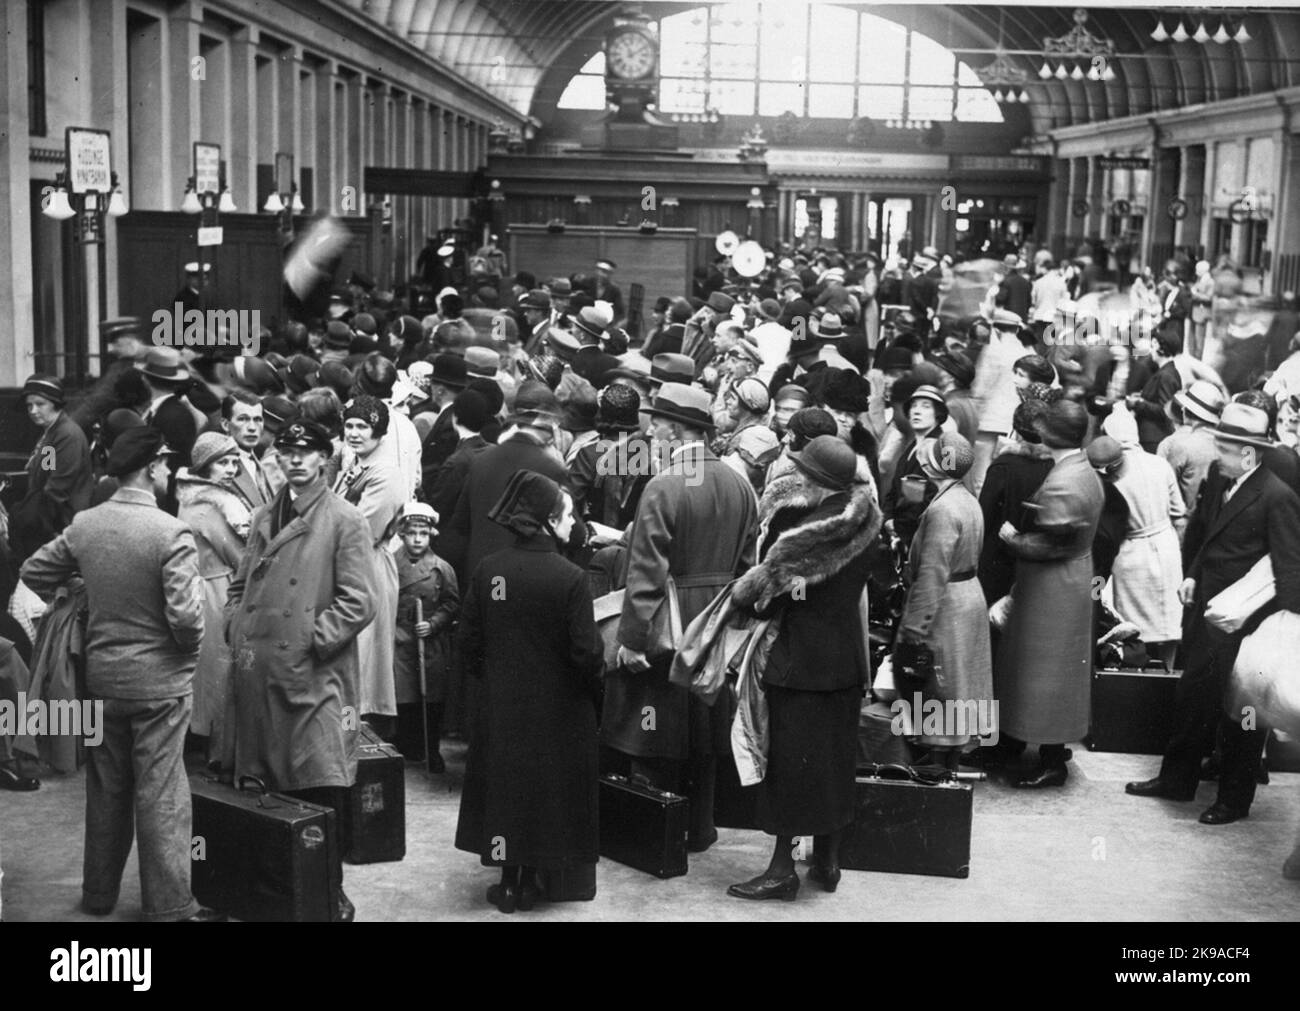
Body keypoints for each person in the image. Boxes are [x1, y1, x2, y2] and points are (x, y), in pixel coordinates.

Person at [21, 427, 222, 921]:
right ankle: (171, 906)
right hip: (161, 685)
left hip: (104, 679)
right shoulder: (169, 531)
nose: (170, 472)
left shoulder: (87, 524)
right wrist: (187, 653)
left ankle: (98, 895)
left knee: (107, 791)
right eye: (166, 464)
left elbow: (33, 571)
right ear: (153, 467)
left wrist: (87, 587)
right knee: (162, 794)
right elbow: (185, 619)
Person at [225, 418, 377, 922]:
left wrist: (312, 640)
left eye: (306, 451)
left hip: (314, 675)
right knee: (266, 789)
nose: (294, 459)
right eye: (286, 450)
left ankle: (327, 890)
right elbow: (240, 583)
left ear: (323, 458)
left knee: (320, 781)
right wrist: (235, 626)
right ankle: (277, 892)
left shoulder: (345, 519)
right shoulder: (267, 512)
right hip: (258, 670)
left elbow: (359, 602)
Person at [1127, 403, 1300, 824]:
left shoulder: (1277, 497)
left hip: (1248, 627)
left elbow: (1290, 568)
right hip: (1207, 614)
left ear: (1247, 453)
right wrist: (1192, 575)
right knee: (1193, 698)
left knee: (1244, 713)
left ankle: (1233, 800)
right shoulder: (1220, 479)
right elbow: (1205, 535)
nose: (1215, 452)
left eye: (1223, 447)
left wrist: (1282, 628)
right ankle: (1176, 780)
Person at [726, 436, 880, 900]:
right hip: (846, 662)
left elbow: (765, 600)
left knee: (789, 768)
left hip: (798, 664)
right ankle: (828, 861)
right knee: (834, 762)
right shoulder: (867, 520)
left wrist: (748, 601)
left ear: (813, 480)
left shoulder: (802, 537)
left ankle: (780, 871)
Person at [605, 382, 757, 852]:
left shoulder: (665, 483)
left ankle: (655, 830)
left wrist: (632, 636)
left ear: (675, 429)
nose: (650, 431)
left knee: (652, 722)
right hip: (718, 615)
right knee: (704, 722)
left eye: (656, 423)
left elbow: (646, 570)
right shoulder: (740, 483)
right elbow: (749, 565)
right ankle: (701, 826)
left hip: (668, 617)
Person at [454, 471, 601, 913]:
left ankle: (509, 882)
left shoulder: (491, 570)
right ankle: (539, 877)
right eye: (569, 514)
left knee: (507, 789)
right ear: (550, 521)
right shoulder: (571, 577)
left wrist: (497, 679)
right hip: (559, 709)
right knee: (547, 792)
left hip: (503, 703)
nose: (573, 522)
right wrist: (589, 692)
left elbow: (468, 642)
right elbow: (586, 653)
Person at [995, 398, 1104, 788]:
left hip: (1053, 586)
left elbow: (1055, 543)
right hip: (1065, 582)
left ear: (1048, 433)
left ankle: (1051, 758)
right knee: (1045, 668)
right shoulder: (1080, 469)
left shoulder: (1065, 479)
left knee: (1045, 670)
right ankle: (1030, 745)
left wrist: (1015, 540)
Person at [894, 432, 992, 767]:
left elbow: (932, 573)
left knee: (941, 682)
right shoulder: (967, 498)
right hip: (969, 595)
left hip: (947, 602)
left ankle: (936, 762)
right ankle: (951, 754)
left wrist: (913, 628)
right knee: (960, 681)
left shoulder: (942, 510)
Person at [333, 396, 406, 735]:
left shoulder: (386, 473)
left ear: (379, 431)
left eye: (363, 426)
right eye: (349, 425)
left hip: (367, 566)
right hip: (350, 564)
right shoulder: (356, 464)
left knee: (362, 659)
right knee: (350, 657)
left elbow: (362, 530)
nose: (355, 433)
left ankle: (357, 738)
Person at [175, 433, 251, 757]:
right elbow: (239, 555)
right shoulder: (211, 507)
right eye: (223, 462)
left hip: (203, 586)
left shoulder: (192, 498)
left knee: (207, 668)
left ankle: (207, 738)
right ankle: (219, 745)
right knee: (220, 669)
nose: (232, 468)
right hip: (216, 589)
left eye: (235, 461)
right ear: (205, 467)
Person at [1106, 439, 1187, 671]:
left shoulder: (1112, 472)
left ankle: (1136, 672)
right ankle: (1169, 672)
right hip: (1166, 544)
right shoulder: (1160, 464)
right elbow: (1178, 511)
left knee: (1132, 625)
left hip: (1130, 551)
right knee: (1170, 623)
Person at [392, 502, 459, 771]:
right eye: (412, 533)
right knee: (402, 699)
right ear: (402, 534)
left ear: (431, 535)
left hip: (429, 644)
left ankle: (432, 750)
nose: (417, 539)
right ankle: (406, 748)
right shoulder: (388, 564)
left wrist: (433, 624)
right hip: (397, 641)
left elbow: (452, 603)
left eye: (423, 532)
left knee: (430, 700)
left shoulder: (441, 568)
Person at [8, 375, 93, 562]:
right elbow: (45, 473)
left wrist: (24, 516)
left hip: (61, 524)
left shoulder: (67, 435)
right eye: (29, 406)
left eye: (40, 404)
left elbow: (57, 489)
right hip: (48, 516)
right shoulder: (52, 432)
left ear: (55, 403)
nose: (33, 410)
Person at [1157, 381, 1226, 510]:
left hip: (1187, 521)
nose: (1182, 408)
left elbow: (1165, 489)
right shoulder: (1224, 444)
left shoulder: (1181, 445)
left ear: (1188, 411)